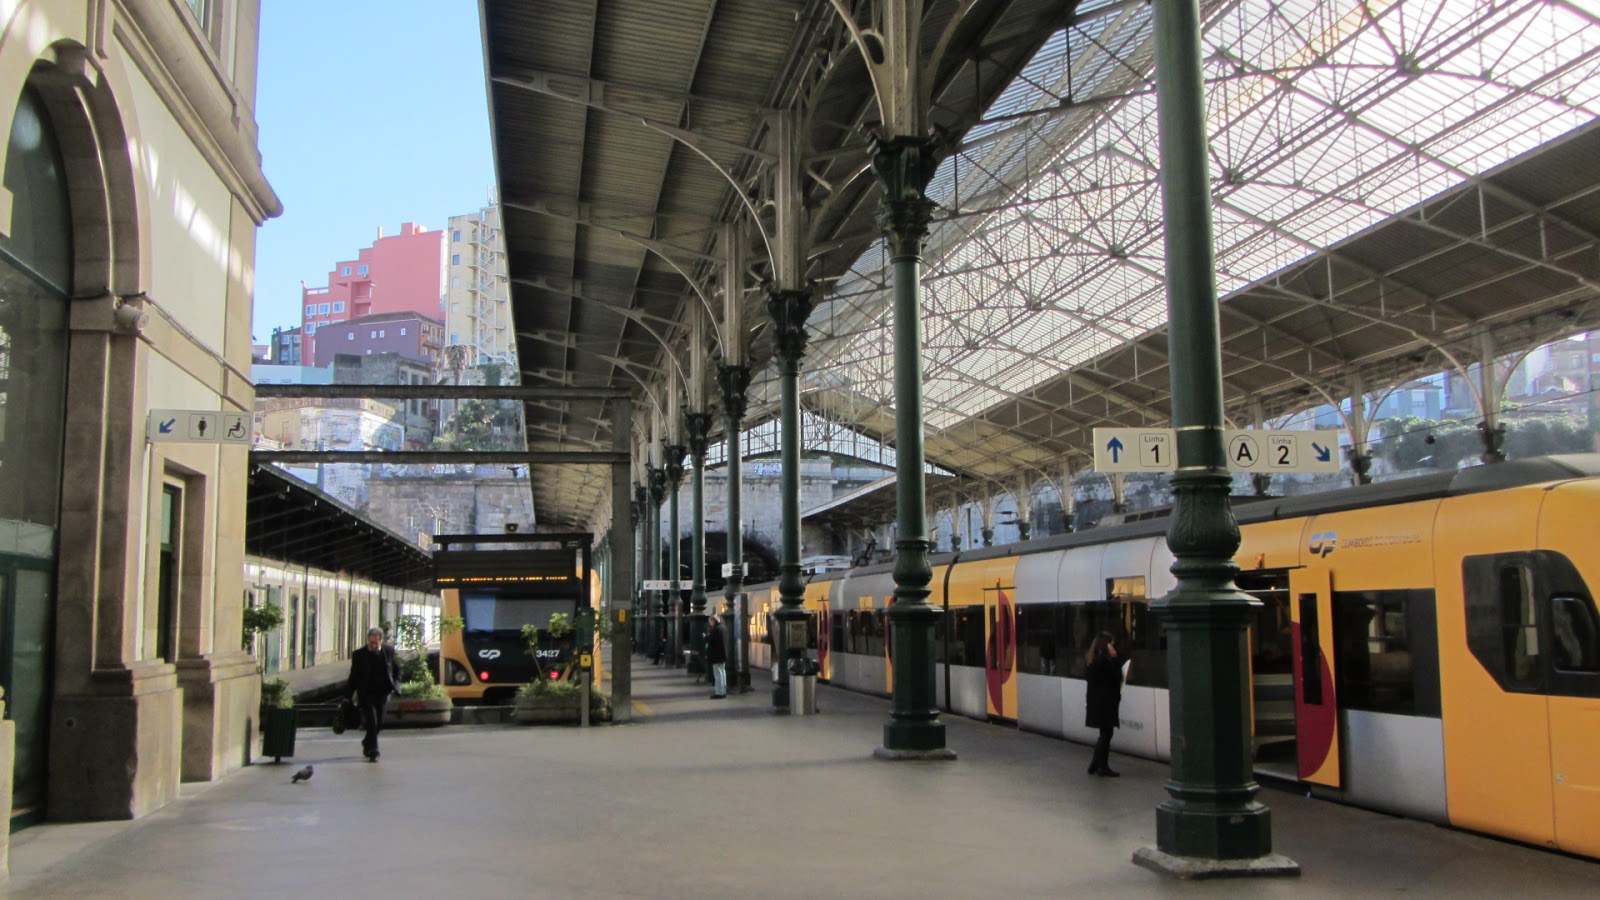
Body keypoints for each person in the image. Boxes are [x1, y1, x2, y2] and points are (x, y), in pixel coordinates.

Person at [346, 626, 401, 762]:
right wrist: (347, 696)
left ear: (381, 641)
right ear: (368, 640)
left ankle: (367, 741)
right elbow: (353, 676)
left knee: (379, 723)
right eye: (371, 643)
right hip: (366, 693)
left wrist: (396, 685)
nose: (373, 645)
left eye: (376, 643)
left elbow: (397, 670)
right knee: (372, 721)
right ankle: (374, 751)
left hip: (383, 693)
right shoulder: (359, 655)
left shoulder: (389, 651)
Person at [1084, 631, 1122, 777]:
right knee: (1107, 733)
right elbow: (1117, 676)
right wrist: (1115, 658)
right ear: (1106, 646)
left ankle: (1098, 764)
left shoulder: (1092, 660)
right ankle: (1099, 765)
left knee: (1104, 733)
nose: (1114, 647)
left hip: (1097, 703)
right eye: (1112, 645)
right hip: (1105, 704)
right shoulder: (1104, 662)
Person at [705, 615, 728, 699]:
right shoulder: (724, 628)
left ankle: (719, 692)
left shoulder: (715, 629)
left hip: (716, 655)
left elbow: (711, 641)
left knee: (718, 674)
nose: (709, 624)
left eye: (710, 622)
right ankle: (723, 691)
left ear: (713, 621)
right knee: (722, 672)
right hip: (723, 654)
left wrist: (706, 637)